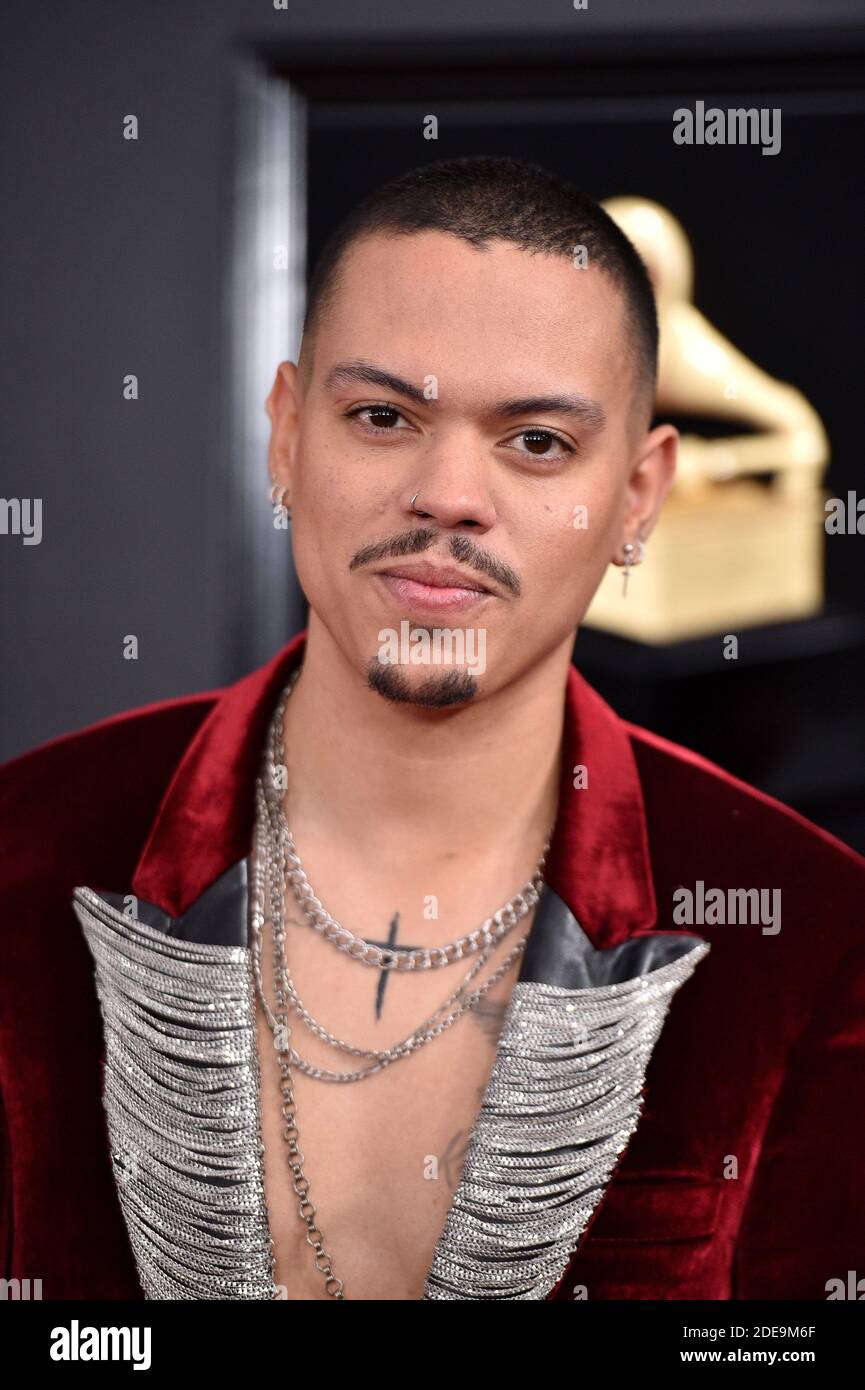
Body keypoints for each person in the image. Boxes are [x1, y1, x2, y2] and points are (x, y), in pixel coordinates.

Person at [1, 156, 863, 1303]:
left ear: (638, 498)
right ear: (284, 438)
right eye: (380, 415)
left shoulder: (812, 927)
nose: (448, 493)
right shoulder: (21, 850)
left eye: (537, 441)